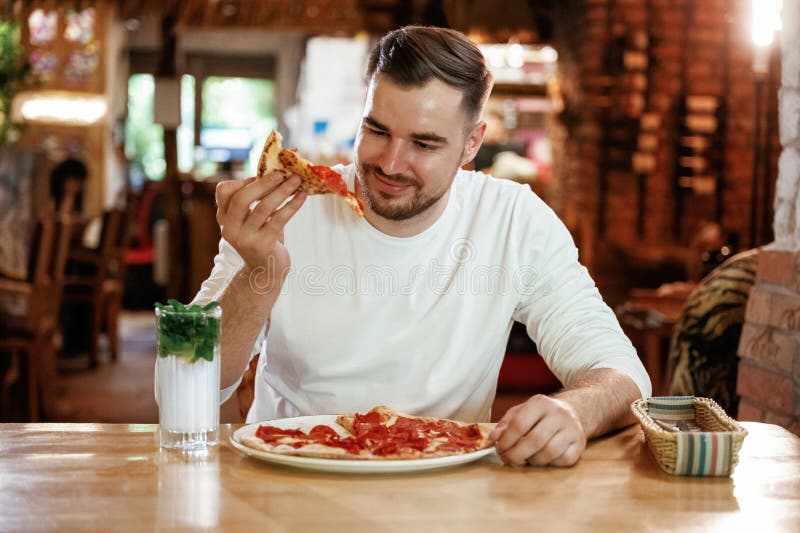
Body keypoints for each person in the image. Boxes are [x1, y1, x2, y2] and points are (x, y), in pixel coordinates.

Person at [195, 26, 651, 467]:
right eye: (377, 131)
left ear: (471, 143)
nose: (391, 163)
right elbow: (191, 383)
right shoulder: (284, 212)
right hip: (295, 476)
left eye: (424, 143)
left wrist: (575, 412)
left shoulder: (514, 219)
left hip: (446, 486)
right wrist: (258, 272)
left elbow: (621, 372)